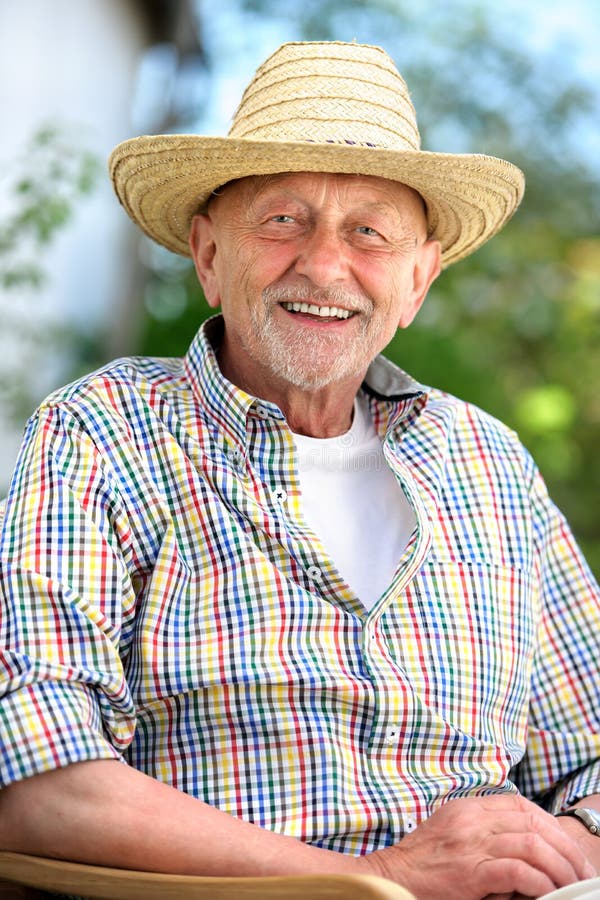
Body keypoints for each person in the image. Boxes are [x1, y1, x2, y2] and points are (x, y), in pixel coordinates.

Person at [0, 40, 599, 900]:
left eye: (369, 233)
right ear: (209, 256)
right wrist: (376, 878)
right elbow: (36, 783)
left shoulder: (491, 462)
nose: (323, 265)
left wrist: (567, 852)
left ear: (418, 280)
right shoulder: (104, 433)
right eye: (281, 219)